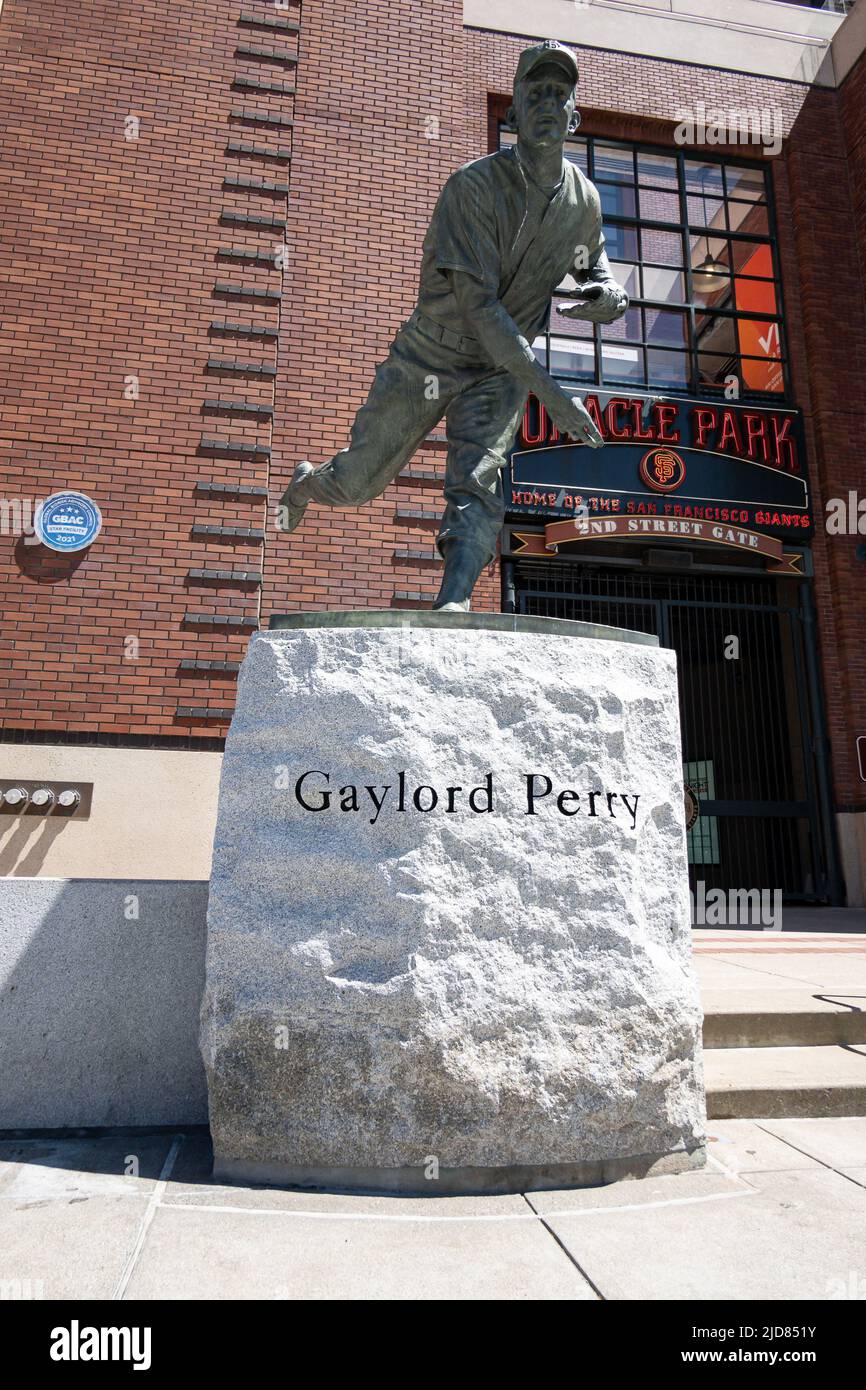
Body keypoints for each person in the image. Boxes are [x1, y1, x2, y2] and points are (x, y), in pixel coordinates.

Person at [278, 39, 629, 610]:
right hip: (430, 356)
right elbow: (480, 307)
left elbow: (597, 269)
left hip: (499, 371)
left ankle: (454, 600)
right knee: (358, 483)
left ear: (574, 114)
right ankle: (308, 483)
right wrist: (553, 397)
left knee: (480, 482)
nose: (547, 102)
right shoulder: (473, 186)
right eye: (534, 91)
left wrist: (609, 297)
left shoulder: (584, 200)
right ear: (513, 110)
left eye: (559, 94)